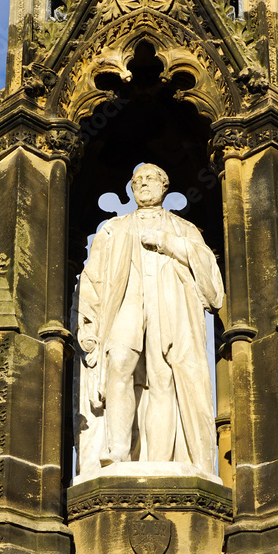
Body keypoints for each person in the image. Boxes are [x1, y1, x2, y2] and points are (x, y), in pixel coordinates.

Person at [72, 163, 224, 477]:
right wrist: (87, 323)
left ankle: (161, 459)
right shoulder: (114, 229)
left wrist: (169, 243)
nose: (143, 184)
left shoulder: (183, 228)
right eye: (137, 180)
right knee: (119, 362)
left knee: (163, 379)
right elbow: (92, 278)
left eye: (150, 178)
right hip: (126, 303)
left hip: (168, 306)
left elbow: (212, 286)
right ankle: (118, 450)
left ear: (164, 185)